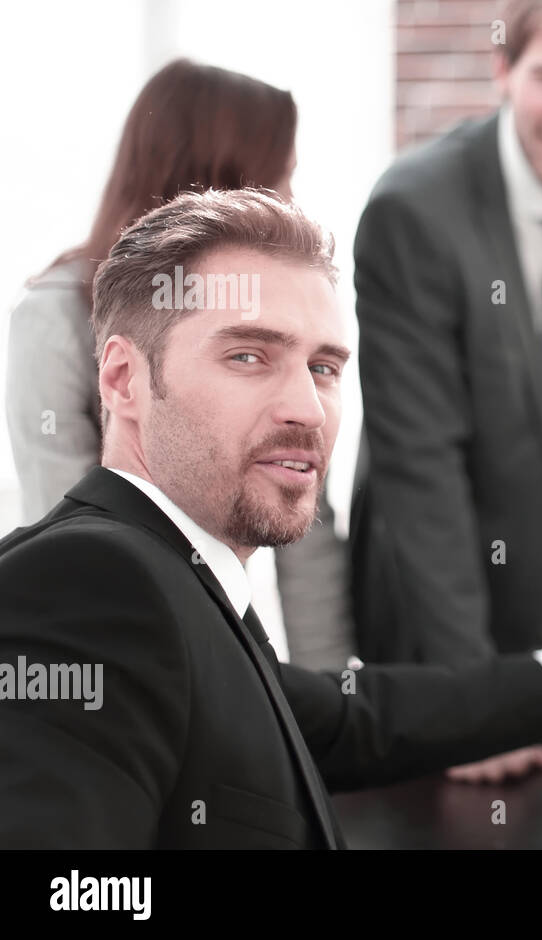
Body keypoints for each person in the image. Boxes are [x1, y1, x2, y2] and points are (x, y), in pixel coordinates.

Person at [0, 189, 542, 848]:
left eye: (326, 367)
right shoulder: (92, 582)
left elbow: (356, 719)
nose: (306, 408)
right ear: (124, 380)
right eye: (249, 355)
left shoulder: (188, 591)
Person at [349, 0, 542, 777]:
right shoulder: (413, 211)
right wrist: (473, 705)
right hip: (442, 610)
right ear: (503, 68)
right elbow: (420, 466)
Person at [4, 58, 351, 671]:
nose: (292, 201)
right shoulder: (55, 317)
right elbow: (73, 536)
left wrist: (328, 715)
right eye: (281, 178)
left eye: (324, 368)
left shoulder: (287, 324)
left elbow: (307, 539)